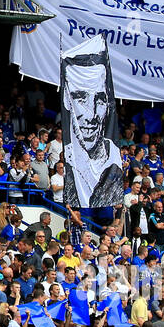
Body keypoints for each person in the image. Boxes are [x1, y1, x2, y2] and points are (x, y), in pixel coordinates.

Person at [61, 39, 123, 208]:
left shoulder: (115, 162)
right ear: (67, 100)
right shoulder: (65, 159)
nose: (92, 115)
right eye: (81, 98)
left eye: (100, 100)